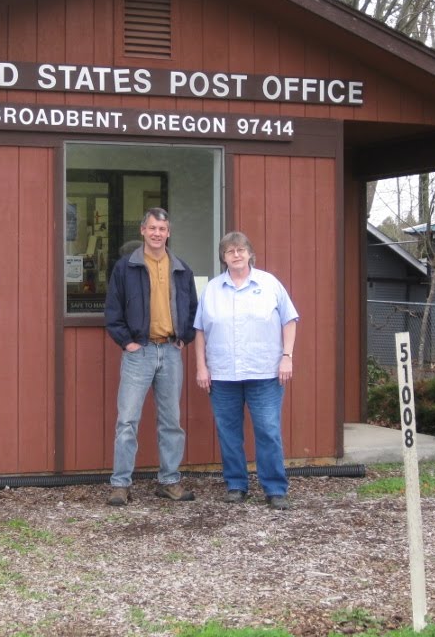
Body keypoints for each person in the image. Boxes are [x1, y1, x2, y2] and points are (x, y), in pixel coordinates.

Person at [193, 231, 299, 510]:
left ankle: (275, 489)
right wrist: (201, 367)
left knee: (268, 430)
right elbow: (200, 331)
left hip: (265, 373)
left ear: (250, 254)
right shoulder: (212, 290)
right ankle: (236, 485)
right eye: (229, 251)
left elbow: (290, 320)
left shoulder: (269, 284)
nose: (236, 255)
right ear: (223, 258)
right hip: (223, 375)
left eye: (240, 250)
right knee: (228, 433)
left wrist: (287, 356)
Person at [104, 208, 199, 506]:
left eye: (163, 228)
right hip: (139, 353)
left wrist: (185, 336)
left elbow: (192, 308)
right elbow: (112, 311)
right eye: (152, 228)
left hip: (170, 352)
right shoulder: (125, 267)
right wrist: (127, 343)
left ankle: (169, 482)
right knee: (127, 420)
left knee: (171, 421)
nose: (157, 233)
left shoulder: (181, 268)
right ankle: (120, 485)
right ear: (142, 231)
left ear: (168, 233)